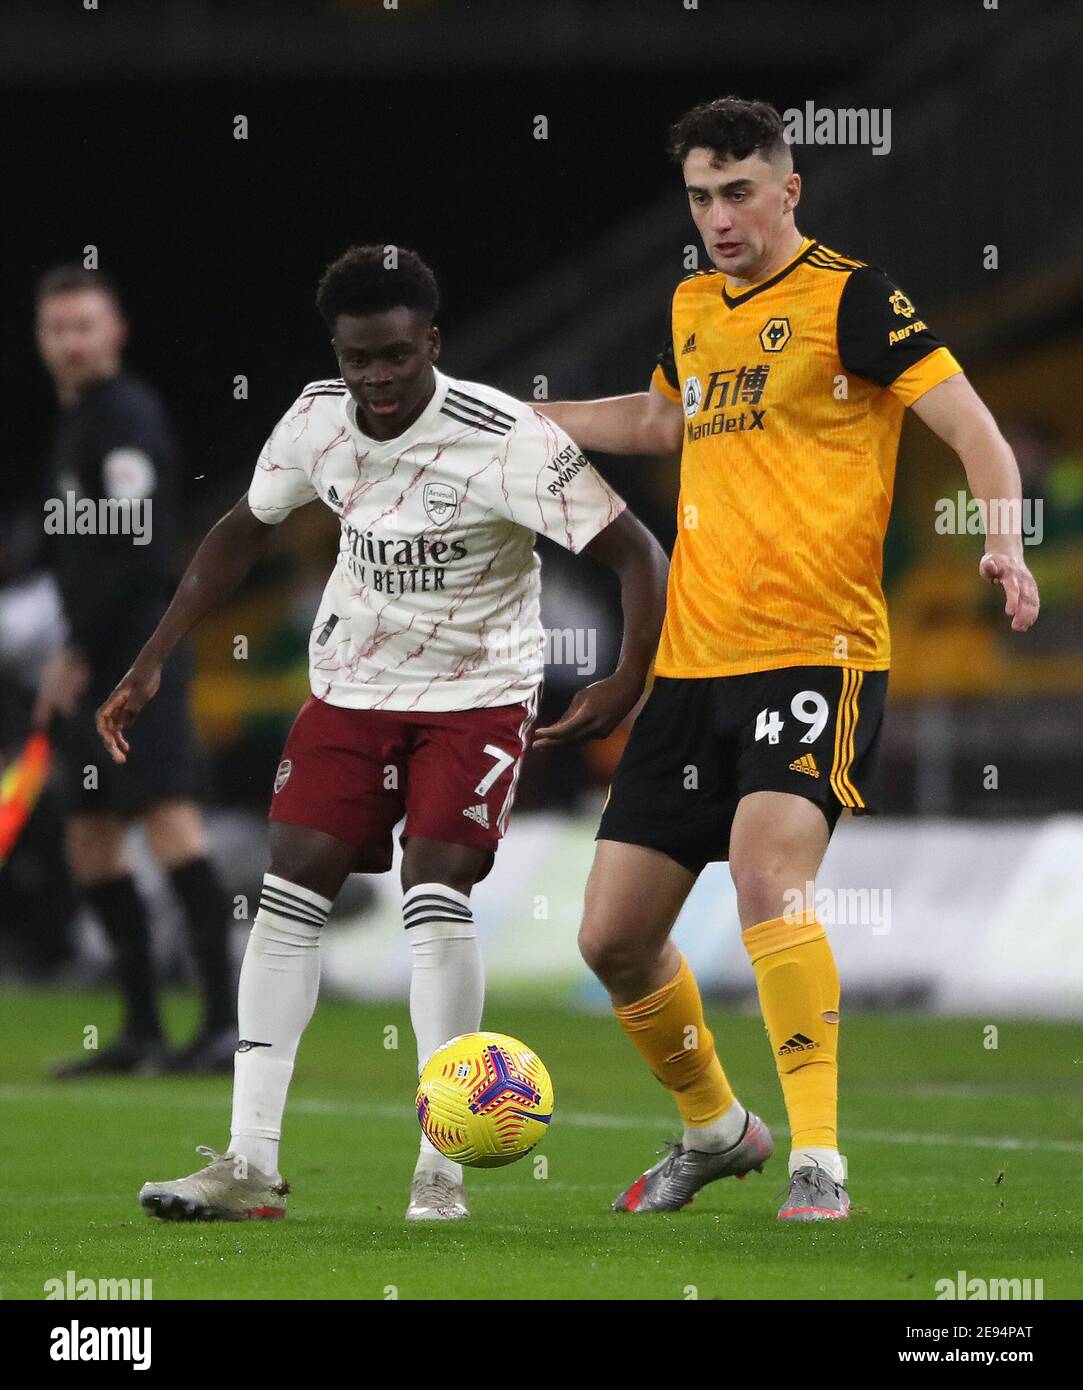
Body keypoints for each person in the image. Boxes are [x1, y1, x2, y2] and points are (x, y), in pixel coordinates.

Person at [537, 96, 1039, 1221]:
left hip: (818, 649)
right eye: (701, 198)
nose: (719, 218)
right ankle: (718, 1130)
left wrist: (1001, 535)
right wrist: (536, 420)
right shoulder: (688, 308)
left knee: (770, 876)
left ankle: (819, 1157)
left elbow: (974, 429)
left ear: (789, 189)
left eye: (739, 193)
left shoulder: (854, 298)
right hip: (693, 661)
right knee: (613, 938)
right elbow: (667, 423)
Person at [95, 245, 669, 1222]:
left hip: (478, 693)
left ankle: (439, 1171)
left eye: (396, 356)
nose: (377, 378)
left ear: (432, 344)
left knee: (434, 886)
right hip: (352, 686)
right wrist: (154, 656)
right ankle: (247, 1162)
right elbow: (242, 528)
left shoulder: (505, 436)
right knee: (289, 893)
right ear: (339, 351)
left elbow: (637, 552)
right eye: (359, 358)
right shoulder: (317, 419)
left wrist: (627, 676)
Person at [33, 265, 237, 1077]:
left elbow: (140, 552)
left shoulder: (125, 418)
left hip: (135, 661)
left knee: (169, 822)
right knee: (88, 839)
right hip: (95, 657)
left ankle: (225, 1026)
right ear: (42, 339)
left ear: (115, 332)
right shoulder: (78, 424)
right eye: (58, 329)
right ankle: (143, 1029)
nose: (72, 342)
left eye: (86, 326)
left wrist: (85, 652)